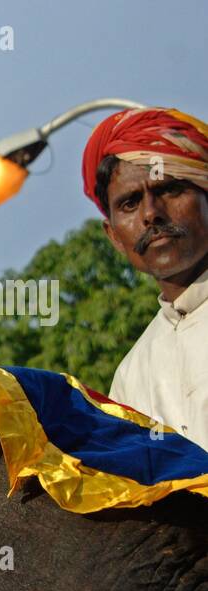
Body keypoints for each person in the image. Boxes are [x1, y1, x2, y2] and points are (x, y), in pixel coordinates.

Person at [82, 106, 208, 447]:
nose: (151, 213)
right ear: (113, 236)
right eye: (130, 203)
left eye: (169, 189)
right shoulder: (131, 376)